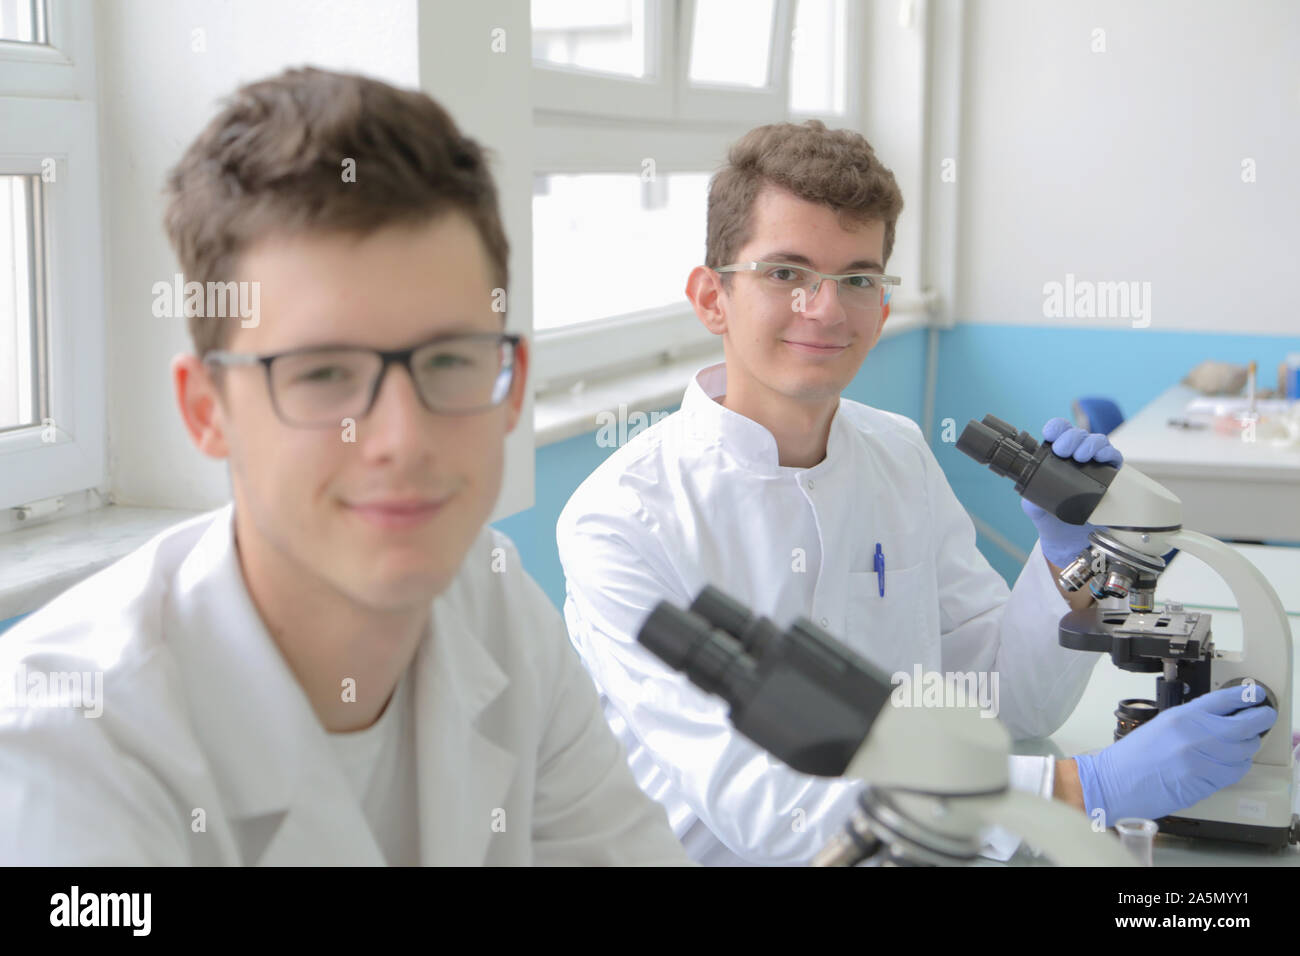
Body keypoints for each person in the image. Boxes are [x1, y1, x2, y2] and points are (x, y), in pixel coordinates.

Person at [0, 67, 690, 866]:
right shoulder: (61, 750)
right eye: (323, 372)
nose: (401, 436)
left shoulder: (498, 604)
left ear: (512, 388)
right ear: (207, 411)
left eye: (450, 361)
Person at [556, 120, 1276, 865]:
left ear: (883, 308)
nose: (827, 310)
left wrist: (1074, 569)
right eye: (786, 274)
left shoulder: (897, 453)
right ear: (712, 298)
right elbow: (772, 807)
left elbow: (1001, 699)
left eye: (859, 280)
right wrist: (1080, 787)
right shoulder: (621, 521)